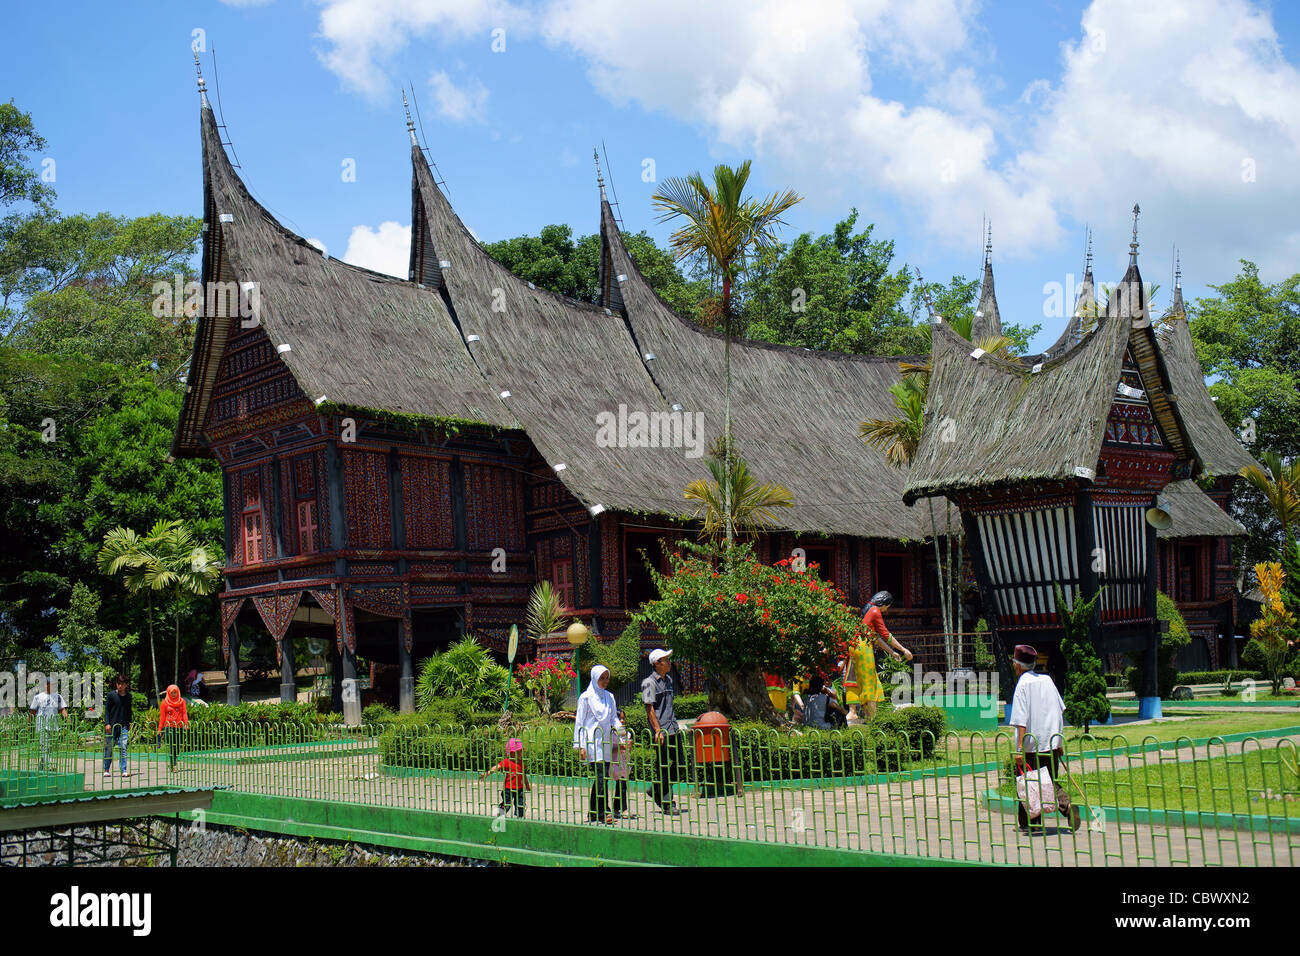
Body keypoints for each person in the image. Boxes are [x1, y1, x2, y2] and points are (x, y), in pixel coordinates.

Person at [1009, 644, 1081, 834]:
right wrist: (1059, 741)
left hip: (1031, 745)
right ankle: (1064, 807)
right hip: (1051, 742)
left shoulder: (1022, 685)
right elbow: (1059, 710)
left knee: (1027, 782)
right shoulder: (1048, 681)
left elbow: (1020, 720)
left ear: (1017, 665)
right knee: (1048, 781)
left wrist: (1018, 749)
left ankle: (1031, 822)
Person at [845, 591, 913, 722]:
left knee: (868, 681)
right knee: (870, 683)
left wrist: (892, 652)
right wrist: (904, 649)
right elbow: (885, 634)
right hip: (863, 647)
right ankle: (873, 719)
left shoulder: (867, 612)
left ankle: (869, 716)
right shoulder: (875, 611)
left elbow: (875, 637)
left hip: (857, 647)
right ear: (884, 603)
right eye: (887, 607)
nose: (886, 610)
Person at [642, 648, 687, 815]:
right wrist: (657, 730)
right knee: (663, 766)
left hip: (673, 728)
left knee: (680, 764)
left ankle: (656, 788)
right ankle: (668, 803)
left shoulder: (668, 679)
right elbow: (650, 708)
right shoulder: (649, 683)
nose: (669, 662)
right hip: (661, 731)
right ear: (657, 664)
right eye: (665, 660)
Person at [574, 664, 617, 825]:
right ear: (594, 678)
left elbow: (613, 718)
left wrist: (621, 731)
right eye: (602, 678)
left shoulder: (609, 697)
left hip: (604, 742)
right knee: (602, 776)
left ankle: (593, 812)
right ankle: (603, 811)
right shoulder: (585, 697)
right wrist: (580, 745)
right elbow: (580, 722)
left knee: (603, 777)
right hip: (591, 742)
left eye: (607, 678)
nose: (605, 681)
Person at [480, 737, 530, 817]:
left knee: (520, 804)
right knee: (507, 804)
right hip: (508, 789)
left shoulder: (521, 763)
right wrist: (487, 773)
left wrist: (527, 785)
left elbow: (523, 775)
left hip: (519, 789)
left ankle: (520, 819)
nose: (521, 753)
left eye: (521, 751)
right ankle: (499, 814)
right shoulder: (507, 762)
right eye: (519, 751)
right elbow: (497, 767)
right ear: (512, 753)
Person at [29, 676, 68, 771]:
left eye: (54, 685)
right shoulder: (38, 697)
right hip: (41, 725)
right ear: (45, 685)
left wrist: (66, 718)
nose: (53, 686)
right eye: (51, 684)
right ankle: (50, 766)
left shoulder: (58, 697)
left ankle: (40, 768)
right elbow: (32, 711)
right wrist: (29, 723)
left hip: (53, 726)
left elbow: (62, 709)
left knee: (49, 748)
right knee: (44, 746)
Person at [103, 674, 133, 778]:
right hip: (112, 726)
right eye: (119, 684)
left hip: (123, 725)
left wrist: (129, 722)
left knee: (123, 747)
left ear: (126, 685)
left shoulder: (129, 697)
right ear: (116, 684)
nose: (120, 686)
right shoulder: (111, 695)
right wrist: (107, 723)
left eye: (123, 684)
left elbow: (129, 711)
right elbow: (107, 710)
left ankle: (123, 770)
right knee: (109, 748)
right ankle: (106, 769)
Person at [610, 709, 636, 820]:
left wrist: (628, 746)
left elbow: (629, 747)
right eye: (619, 718)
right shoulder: (611, 734)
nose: (622, 721)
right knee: (622, 785)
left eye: (623, 718)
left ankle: (616, 809)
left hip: (624, 761)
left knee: (621, 786)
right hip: (615, 763)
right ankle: (624, 809)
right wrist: (622, 747)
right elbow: (610, 748)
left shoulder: (627, 733)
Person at [157, 684, 189, 773]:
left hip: (179, 727)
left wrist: (186, 723)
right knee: (172, 746)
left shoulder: (182, 702)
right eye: (172, 693)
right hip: (169, 728)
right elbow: (162, 717)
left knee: (178, 745)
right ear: (168, 693)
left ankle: (173, 761)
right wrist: (159, 729)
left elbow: (184, 713)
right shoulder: (165, 703)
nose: (174, 694)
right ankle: (173, 764)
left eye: (175, 692)